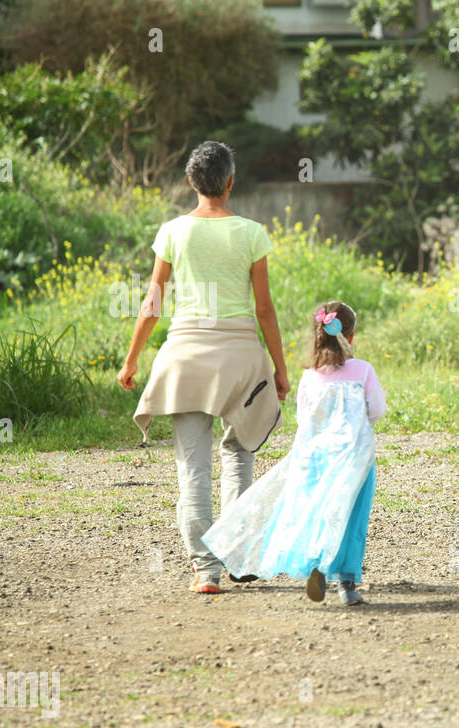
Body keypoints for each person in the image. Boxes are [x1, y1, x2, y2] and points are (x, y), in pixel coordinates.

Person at [118, 141, 287, 595]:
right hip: (241, 361)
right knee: (239, 453)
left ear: (191, 182)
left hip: (185, 360)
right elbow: (265, 310)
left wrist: (133, 358)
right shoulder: (251, 232)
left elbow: (153, 303)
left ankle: (205, 572)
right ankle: (238, 557)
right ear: (231, 182)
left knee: (193, 470)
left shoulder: (173, 231)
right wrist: (281, 368)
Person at [202, 302, 384, 606]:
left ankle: (316, 564)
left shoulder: (310, 377)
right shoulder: (363, 371)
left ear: (317, 336)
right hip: (354, 459)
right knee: (350, 518)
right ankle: (348, 586)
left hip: (314, 458)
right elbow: (376, 410)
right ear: (350, 338)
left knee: (316, 512)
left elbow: (305, 419)